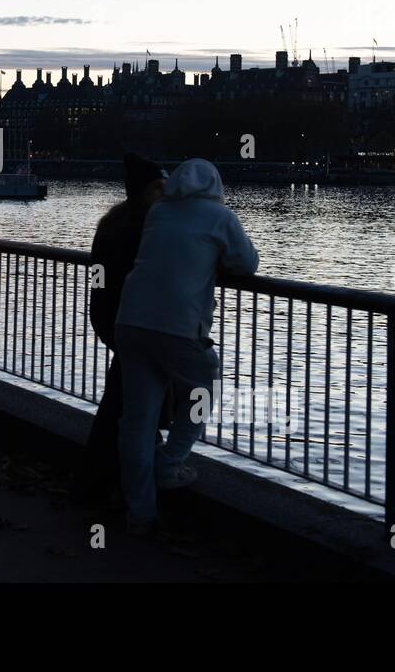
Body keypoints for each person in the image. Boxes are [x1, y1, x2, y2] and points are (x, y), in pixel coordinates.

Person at [115, 158, 259, 535]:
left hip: (131, 320)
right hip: (177, 325)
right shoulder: (219, 216)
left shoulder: (159, 212)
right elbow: (247, 264)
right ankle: (170, 463)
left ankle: (139, 513)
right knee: (202, 389)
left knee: (138, 419)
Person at [71, 153, 168, 504]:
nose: (165, 193)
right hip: (133, 322)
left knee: (123, 397)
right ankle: (108, 482)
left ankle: (100, 478)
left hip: (111, 319)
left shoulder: (111, 224)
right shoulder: (149, 227)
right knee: (128, 403)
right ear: (145, 191)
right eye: (159, 187)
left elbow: (102, 278)